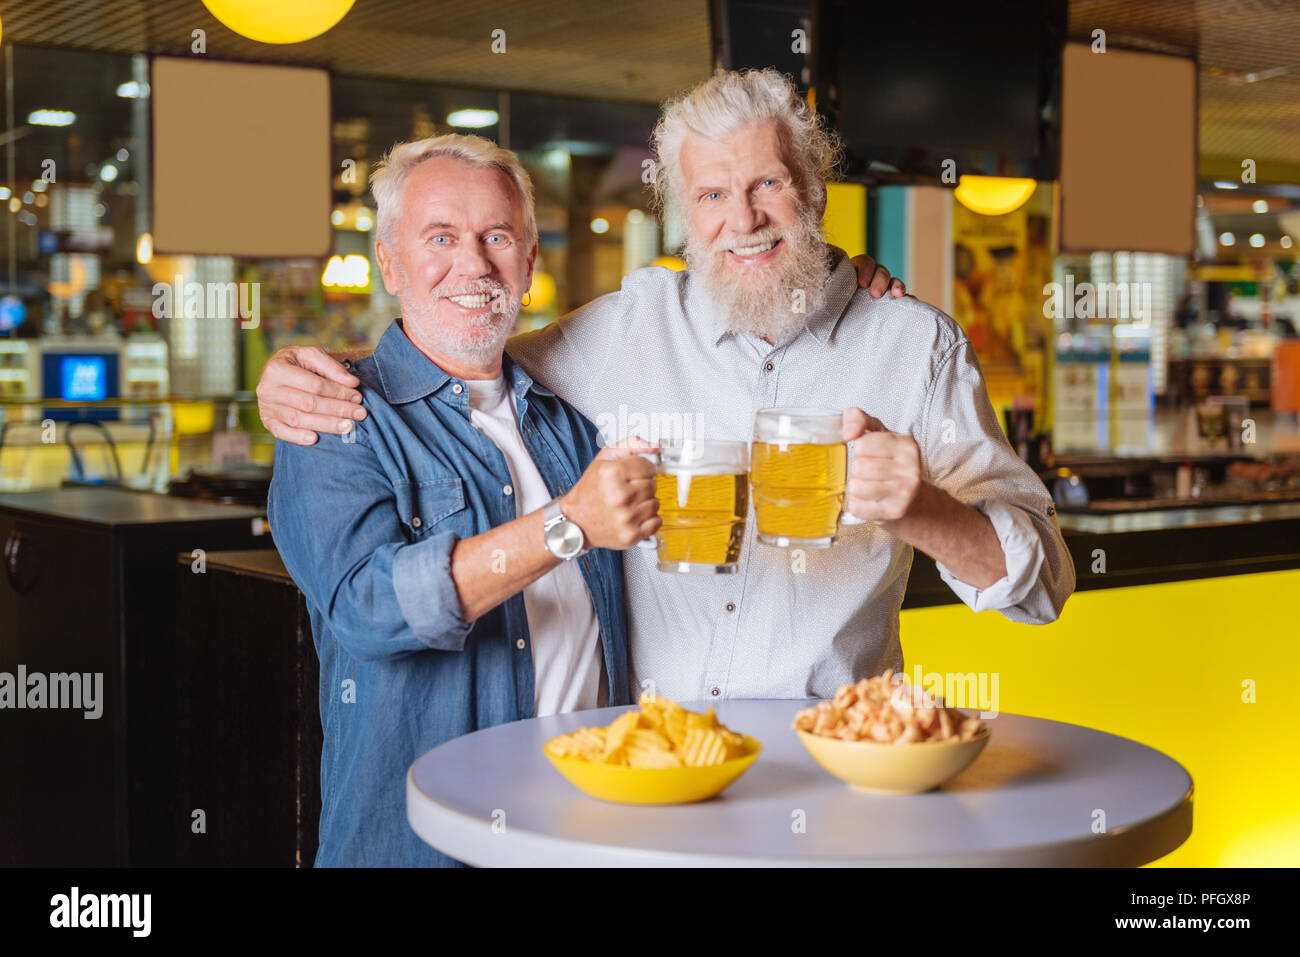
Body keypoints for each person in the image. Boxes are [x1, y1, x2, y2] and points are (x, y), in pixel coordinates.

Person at [264, 67, 1074, 707]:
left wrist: (920, 506)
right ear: (684, 213)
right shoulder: (622, 329)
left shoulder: (913, 346)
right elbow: (463, 352)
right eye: (713, 194)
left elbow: (1045, 588)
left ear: (814, 189)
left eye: (768, 185)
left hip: (831, 770)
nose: (744, 218)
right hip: (649, 776)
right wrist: (298, 376)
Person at [268, 135, 662, 867]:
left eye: (498, 236)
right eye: (441, 237)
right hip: (422, 847)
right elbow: (368, 606)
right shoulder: (334, 417)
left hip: (586, 838)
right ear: (390, 262)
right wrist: (567, 524)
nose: (475, 263)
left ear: (530, 259)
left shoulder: (574, 415)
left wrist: (848, 281)